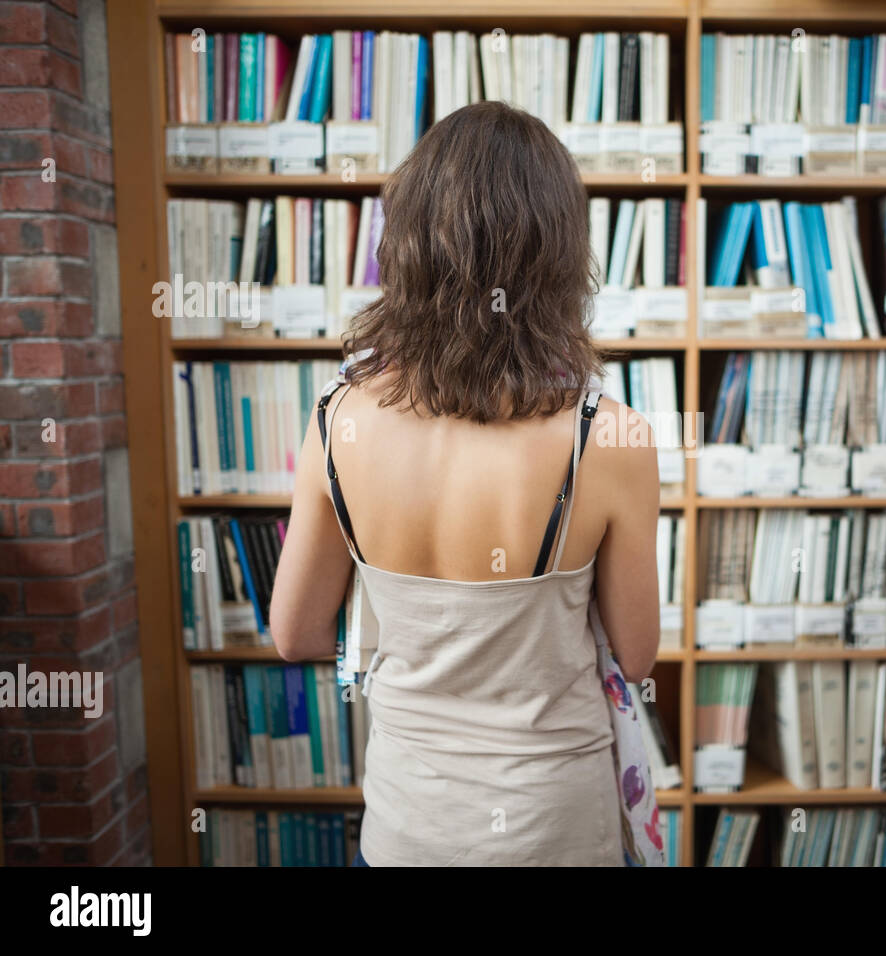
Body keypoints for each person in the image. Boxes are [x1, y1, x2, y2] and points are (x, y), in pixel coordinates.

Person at [269, 101, 661, 866]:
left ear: (409, 242)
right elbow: (636, 656)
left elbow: (297, 633)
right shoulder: (608, 437)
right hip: (556, 827)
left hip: (412, 823)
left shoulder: (337, 419)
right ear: (558, 254)